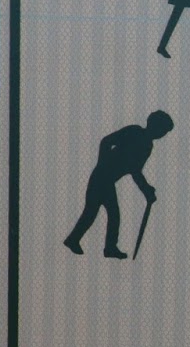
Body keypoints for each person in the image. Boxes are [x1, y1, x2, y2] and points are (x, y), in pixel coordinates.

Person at [64, 110, 174, 259]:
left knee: (101, 212)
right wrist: (102, 164)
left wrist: (146, 189)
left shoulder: (147, 146)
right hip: (101, 177)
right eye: (162, 130)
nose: (162, 134)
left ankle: (81, 241)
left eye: (164, 132)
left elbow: (135, 171)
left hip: (107, 180)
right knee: (97, 212)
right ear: (154, 125)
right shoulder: (134, 131)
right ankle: (94, 244)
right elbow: (106, 141)